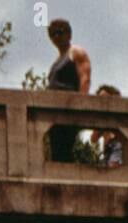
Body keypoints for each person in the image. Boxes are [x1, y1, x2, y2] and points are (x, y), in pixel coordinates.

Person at [46, 19, 92, 163]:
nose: (57, 36)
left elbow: (85, 79)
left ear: (68, 34)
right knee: (56, 154)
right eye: (53, 34)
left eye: (60, 32)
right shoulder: (56, 62)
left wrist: (79, 106)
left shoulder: (76, 52)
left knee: (64, 151)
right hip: (53, 111)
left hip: (68, 108)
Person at [90, 85, 125, 168]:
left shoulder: (118, 115)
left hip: (118, 149)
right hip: (107, 152)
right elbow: (93, 139)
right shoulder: (101, 117)